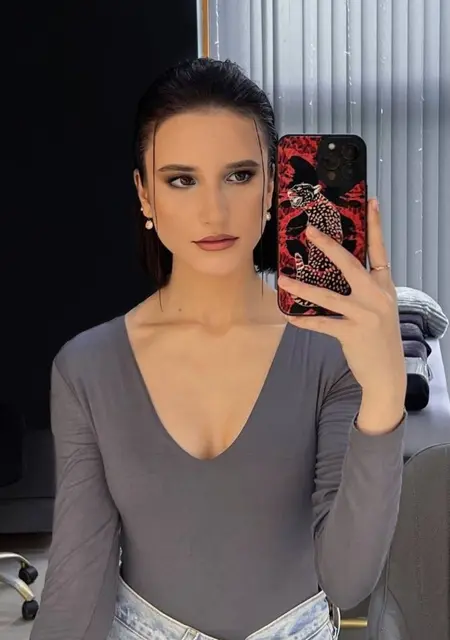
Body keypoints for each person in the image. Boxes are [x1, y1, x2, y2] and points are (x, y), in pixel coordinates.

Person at [30, 58, 406, 640]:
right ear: (144, 194)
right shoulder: (86, 369)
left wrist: (384, 392)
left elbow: (348, 578)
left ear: (273, 186)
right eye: (182, 180)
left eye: (239, 175)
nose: (214, 211)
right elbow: (78, 588)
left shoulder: (332, 350)